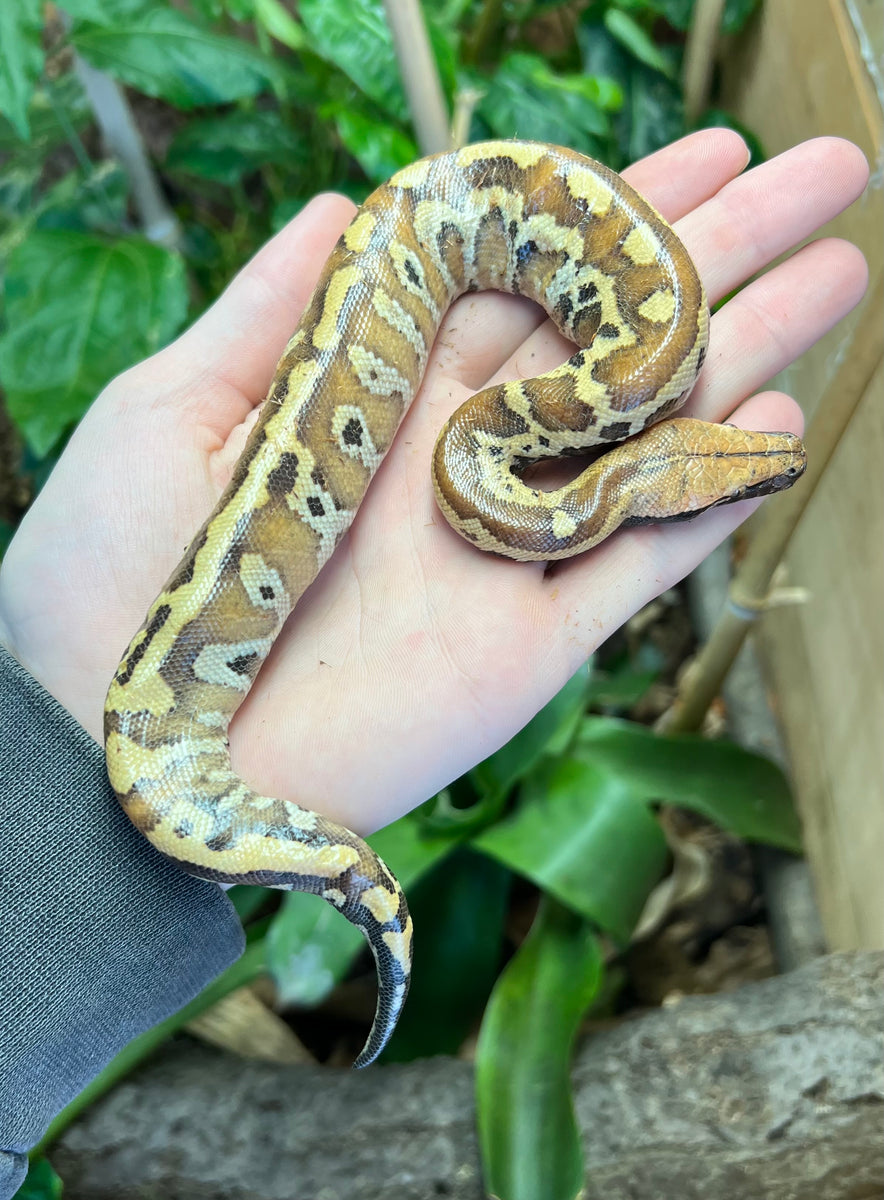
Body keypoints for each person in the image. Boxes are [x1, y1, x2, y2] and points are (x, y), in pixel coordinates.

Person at [0, 129, 869, 1196]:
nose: (764, 472)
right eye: (745, 483)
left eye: (744, 480)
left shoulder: (552, 459)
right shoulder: (552, 463)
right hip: (159, 726)